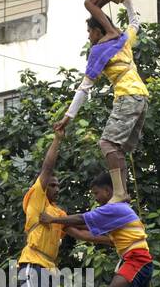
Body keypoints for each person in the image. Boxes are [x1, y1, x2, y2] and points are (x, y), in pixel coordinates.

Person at [42, 176, 153, 287]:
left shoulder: (113, 208)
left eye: (96, 193)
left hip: (137, 259)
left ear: (108, 191)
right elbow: (85, 229)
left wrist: (53, 219)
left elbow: (81, 219)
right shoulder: (114, 213)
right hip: (137, 259)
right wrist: (62, 224)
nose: (95, 197)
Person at [56, 12, 148, 203]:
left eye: (89, 32)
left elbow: (84, 88)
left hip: (127, 96)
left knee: (106, 144)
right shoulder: (123, 39)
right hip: (141, 97)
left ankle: (120, 193)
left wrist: (67, 117)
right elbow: (135, 23)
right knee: (118, 150)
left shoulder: (99, 52)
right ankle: (122, 194)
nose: (89, 36)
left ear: (98, 31)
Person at [17, 133, 67, 287]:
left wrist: (113, 239)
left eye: (58, 185)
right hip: (32, 262)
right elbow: (48, 167)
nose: (56, 188)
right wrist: (58, 139)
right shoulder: (37, 201)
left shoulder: (58, 213)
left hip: (50, 267)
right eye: (52, 184)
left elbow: (80, 231)